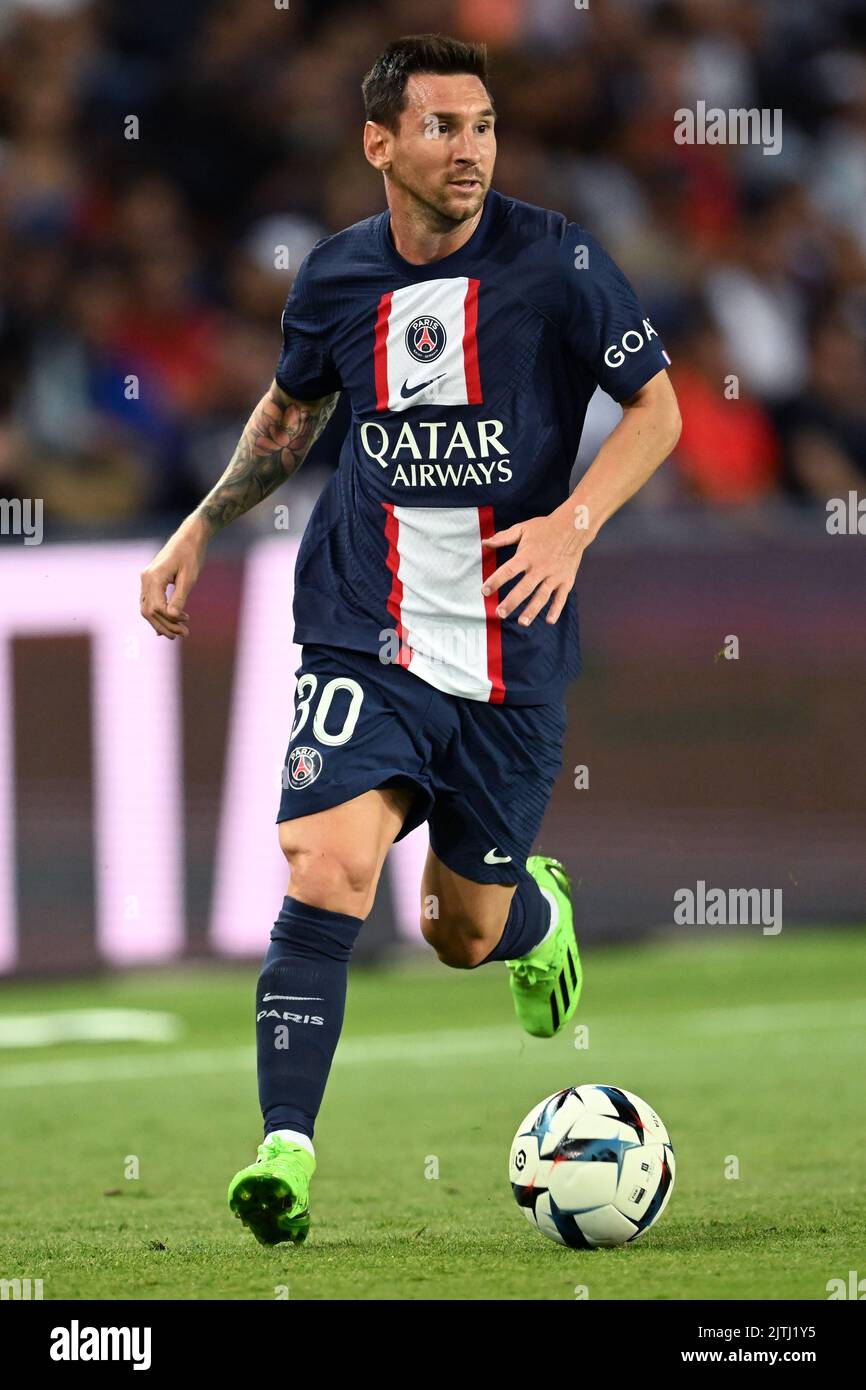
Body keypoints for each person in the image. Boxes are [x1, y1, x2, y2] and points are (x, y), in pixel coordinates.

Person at [139, 33, 681, 1246]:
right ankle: (284, 1146)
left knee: (458, 933)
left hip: (511, 642)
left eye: (483, 125)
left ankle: (533, 913)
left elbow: (658, 406)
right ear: (379, 144)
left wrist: (573, 523)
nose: (471, 150)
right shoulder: (333, 278)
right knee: (324, 865)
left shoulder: (556, 261)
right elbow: (289, 418)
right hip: (362, 626)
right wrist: (194, 527)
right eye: (442, 127)